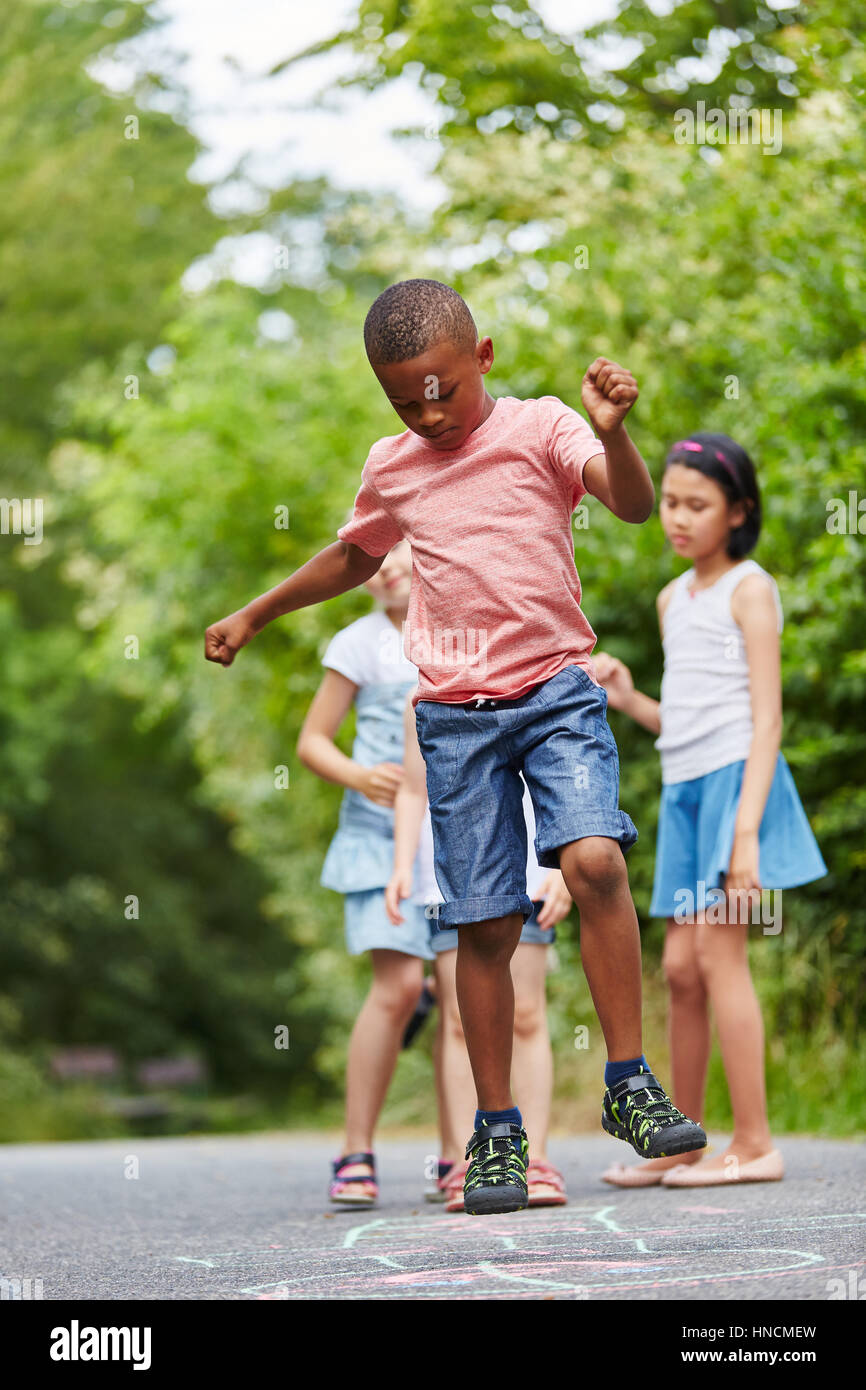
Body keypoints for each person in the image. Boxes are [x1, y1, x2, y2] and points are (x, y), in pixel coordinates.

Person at [204, 278, 707, 1216]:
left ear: (482, 358)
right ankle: (496, 1136)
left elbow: (633, 507)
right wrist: (257, 612)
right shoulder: (393, 466)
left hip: (556, 688)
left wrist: (614, 431)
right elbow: (353, 555)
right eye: (405, 399)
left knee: (595, 859)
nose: (429, 412)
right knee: (482, 922)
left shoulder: (545, 427)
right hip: (458, 716)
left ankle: (630, 1084)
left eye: (443, 387)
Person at [595, 433, 827, 1188]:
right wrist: (630, 701)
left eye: (698, 505)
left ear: (738, 512)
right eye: (669, 502)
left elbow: (765, 720)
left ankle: (755, 1143)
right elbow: (689, 718)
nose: (677, 517)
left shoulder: (749, 587)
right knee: (679, 968)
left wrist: (747, 833)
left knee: (719, 959)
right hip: (685, 790)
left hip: (736, 789)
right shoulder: (672, 598)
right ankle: (684, 1141)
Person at [386, 687, 572, 1210]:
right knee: (458, 1018)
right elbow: (410, 787)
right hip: (450, 877)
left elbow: (576, 774)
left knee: (528, 1013)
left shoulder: (543, 671)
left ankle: (534, 1158)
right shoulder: (422, 695)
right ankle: (470, 1157)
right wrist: (402, 864)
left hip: (532, 870)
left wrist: (563, 867)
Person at [296, 537, 440, 1206]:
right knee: (399, 985)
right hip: (378, 838)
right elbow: (312, 741)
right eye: (373, 558)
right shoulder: (356, 643)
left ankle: (463, 1154)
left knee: (464, 995)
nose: (387, 568)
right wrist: (358, 775)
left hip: (458, 835)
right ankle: (356, 1151)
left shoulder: (459, 626)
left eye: (399, 551)